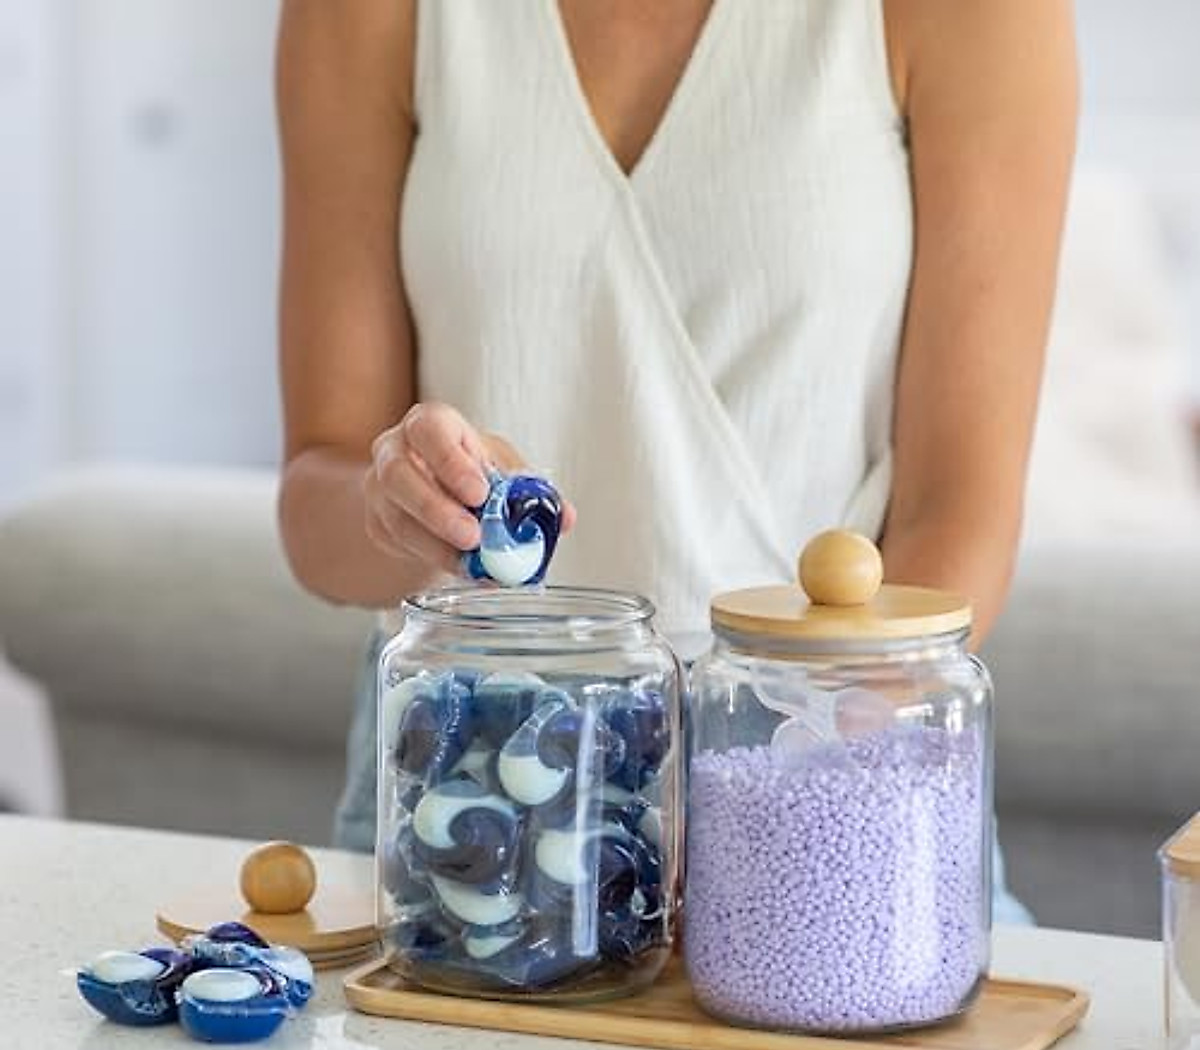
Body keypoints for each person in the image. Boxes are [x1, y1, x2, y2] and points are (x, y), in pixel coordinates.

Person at [275, 0, 1077, 923]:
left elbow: (961, 519)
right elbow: (313, 504)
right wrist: (401, 510)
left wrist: (775, 778)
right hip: (464, 785)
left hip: (816, 778)